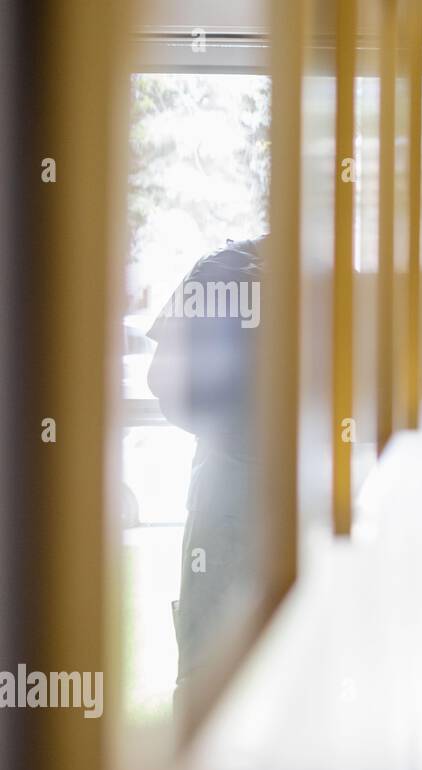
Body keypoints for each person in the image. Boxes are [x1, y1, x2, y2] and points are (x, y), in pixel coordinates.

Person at [146, 236, 266, 715]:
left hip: (230, 489)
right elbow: (164, 380)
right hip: (235, 492)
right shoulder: (223, 268)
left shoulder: (221, 266)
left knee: (210, 673)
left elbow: (163, 382)